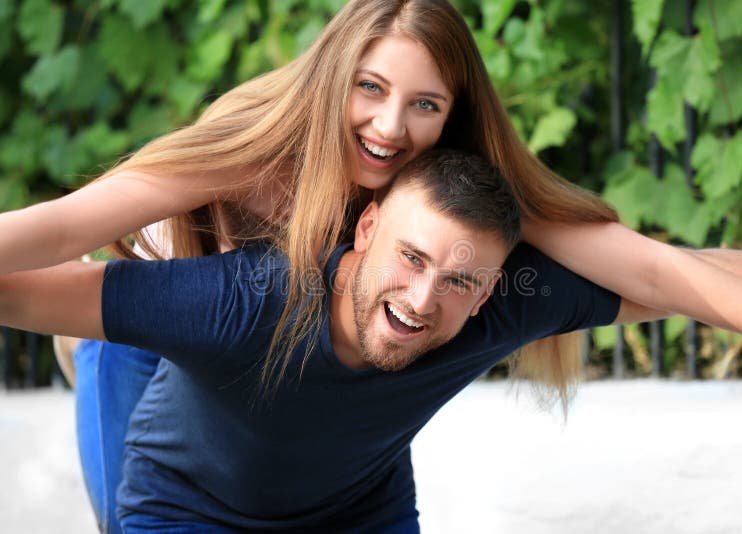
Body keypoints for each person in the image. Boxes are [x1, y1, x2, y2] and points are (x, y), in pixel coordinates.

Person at [2, 0, 742, 530]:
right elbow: (65, 221)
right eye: (370, 89)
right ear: (334, 79)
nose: (389, 127)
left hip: (306, 407)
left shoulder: (453, 197)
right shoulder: (260, 158)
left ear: (454, 117)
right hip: (158, 329)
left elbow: (664, 272)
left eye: (425, 105)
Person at [0, 150, 638, 532]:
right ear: (368, 227)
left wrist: (541, 224)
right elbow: (21, 288)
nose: (424, 299)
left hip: (351, 505)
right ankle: (99, 347)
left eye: (458, 279)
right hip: (190, 484)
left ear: (485, 288)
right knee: (129, 342)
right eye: (412, 258)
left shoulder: (489, 299)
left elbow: (663, 281)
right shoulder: (247, 292)